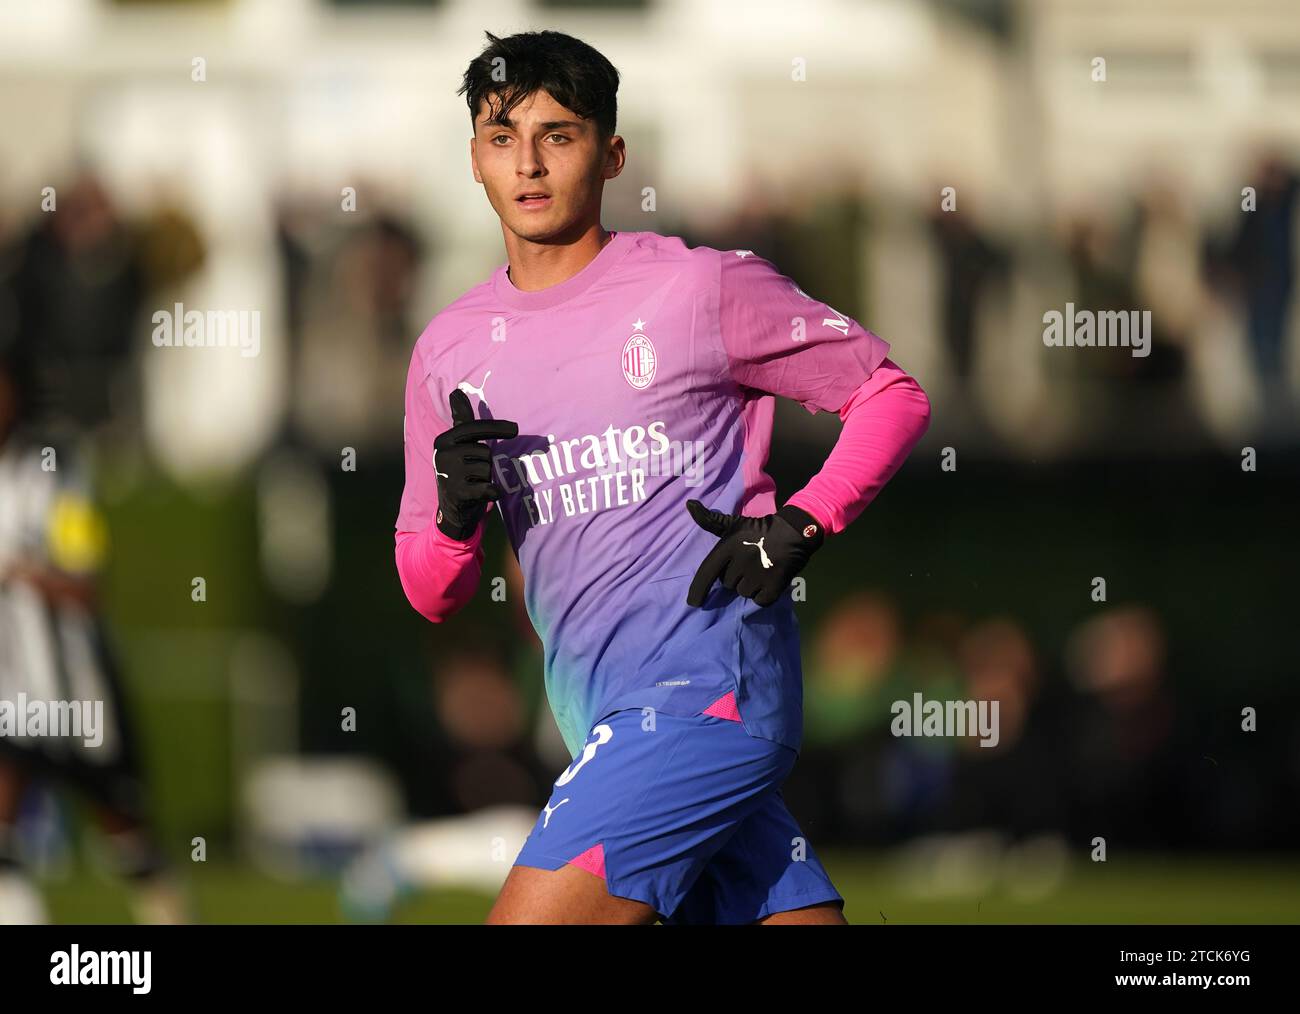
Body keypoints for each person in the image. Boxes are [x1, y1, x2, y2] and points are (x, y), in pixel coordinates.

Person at [393, 30, 931, 925]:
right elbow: (430, 591)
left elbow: (889, 396)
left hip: (710, 694)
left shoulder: (698, 288)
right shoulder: (446, 349)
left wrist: (804, 522)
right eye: (501, 137)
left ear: (611, 154)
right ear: (474, 160)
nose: (527, 163)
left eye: (557, 136)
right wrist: (455, 517)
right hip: (605, 722)